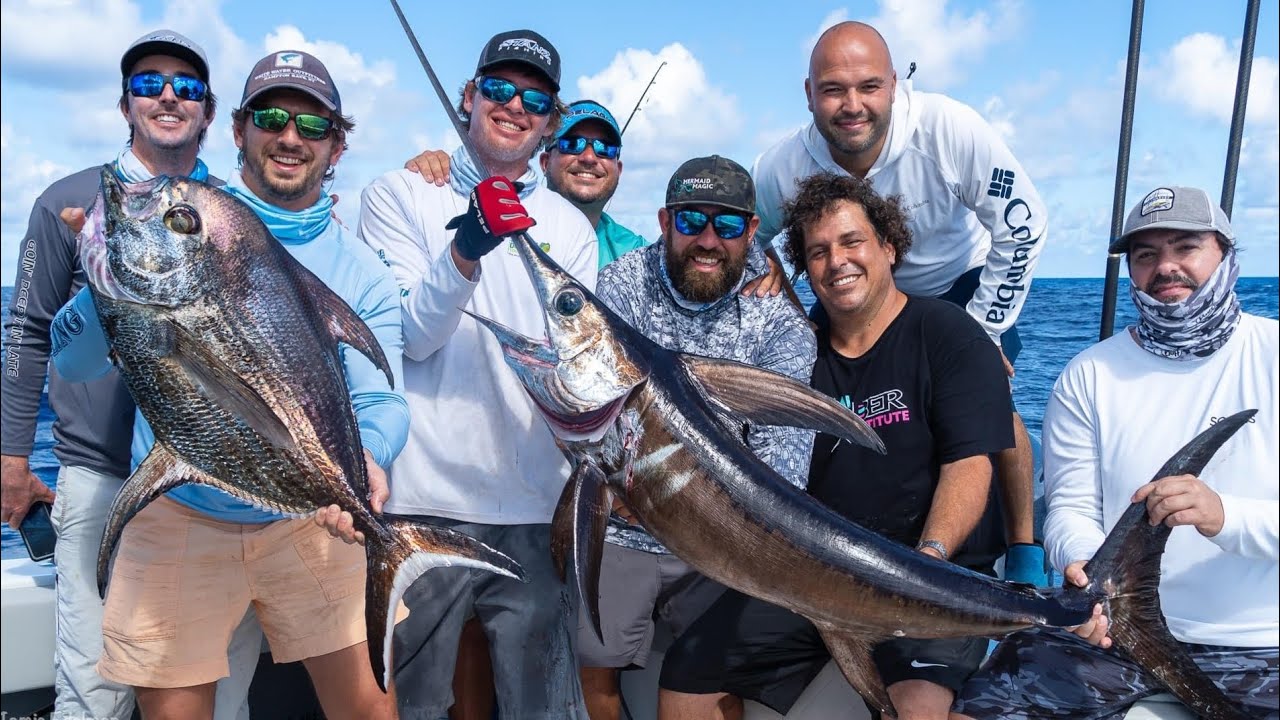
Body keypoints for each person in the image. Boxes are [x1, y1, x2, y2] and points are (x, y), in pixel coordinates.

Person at [50, 49, 407, 720]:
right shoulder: (182, 212)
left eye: (313, 125)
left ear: (337, 146)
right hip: (178, 507)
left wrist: (370, 461)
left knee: (369, 710)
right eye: (272, 117)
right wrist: (107, 287)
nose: (291, 137)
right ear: (239, 130)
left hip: (309, 518)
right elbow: (72, 366)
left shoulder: (363, 270)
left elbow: (380, 397)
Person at [658, 172, 1015, 720]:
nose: (837, 262)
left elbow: (969, 465)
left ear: (890, 247)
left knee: (917, 709)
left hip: (926, 574)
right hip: (814, 573)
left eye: (852, 243)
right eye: (818, 252)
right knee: (684, 683)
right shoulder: (794, 351)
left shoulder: (947, 334)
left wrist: (929, 559)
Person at [0, 29, 259, 720]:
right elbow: (26, 330)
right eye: (149, 83)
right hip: (101, 476)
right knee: (95, 693)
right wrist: (13, 456)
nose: (168, 95)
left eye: (187, 86)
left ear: (209, 113)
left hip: (210, 484)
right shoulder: (68, 200)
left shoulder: (233, 213)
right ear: (124, 106)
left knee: (222, 697)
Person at [952, 186, 1278, 719]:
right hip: (1111, 639)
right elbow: (1071, 510)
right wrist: (1082, 572)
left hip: (1262, 641)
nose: (1166, 267)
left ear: (1226, 251)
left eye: (1185, 246)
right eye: (1146, 255)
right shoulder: (1088, 374)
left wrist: (1226, 517)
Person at [356, 29, 597, 720]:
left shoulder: (567, 225)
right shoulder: (398, 193)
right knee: (417, 709)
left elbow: (574, 370)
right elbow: (411, 341)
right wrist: (467, 247)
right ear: (468, 98)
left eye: (534, 99)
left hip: (533, 507)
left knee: (541, 711)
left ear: (549, 125)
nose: (513, 106)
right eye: (498, 89)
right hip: (421, 508)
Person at [751, 21, 1047, 583]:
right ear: (809, 94)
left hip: (960, 283)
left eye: (868, 86)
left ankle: (1026, 555)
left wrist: (983, 332)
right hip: (849, 291)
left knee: (993, 403)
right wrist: (787, 303)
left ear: (895, 84)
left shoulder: (949, 129)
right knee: (820, 404)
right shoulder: (780, 166)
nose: (852, 104)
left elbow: (1025, 225)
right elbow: (747, 239)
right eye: (834, 89)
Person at [563, 154, 815, 720]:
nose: (708, 239)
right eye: (690, 222)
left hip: (725, 534)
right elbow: (590, 404)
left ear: (752, 232)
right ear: (663, 221)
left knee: (713, 675)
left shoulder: (779, 318)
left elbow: (784, 470)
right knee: (591, 662)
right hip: (626, 527)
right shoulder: (622, 283)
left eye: (727, 226)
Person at [407, 98, 648, 268]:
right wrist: (440, 170)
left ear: (619, 170)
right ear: (544, 162)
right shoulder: (503, 221)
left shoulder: (639, 253)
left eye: (605, 149)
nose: (588, 158)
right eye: (570, 144)